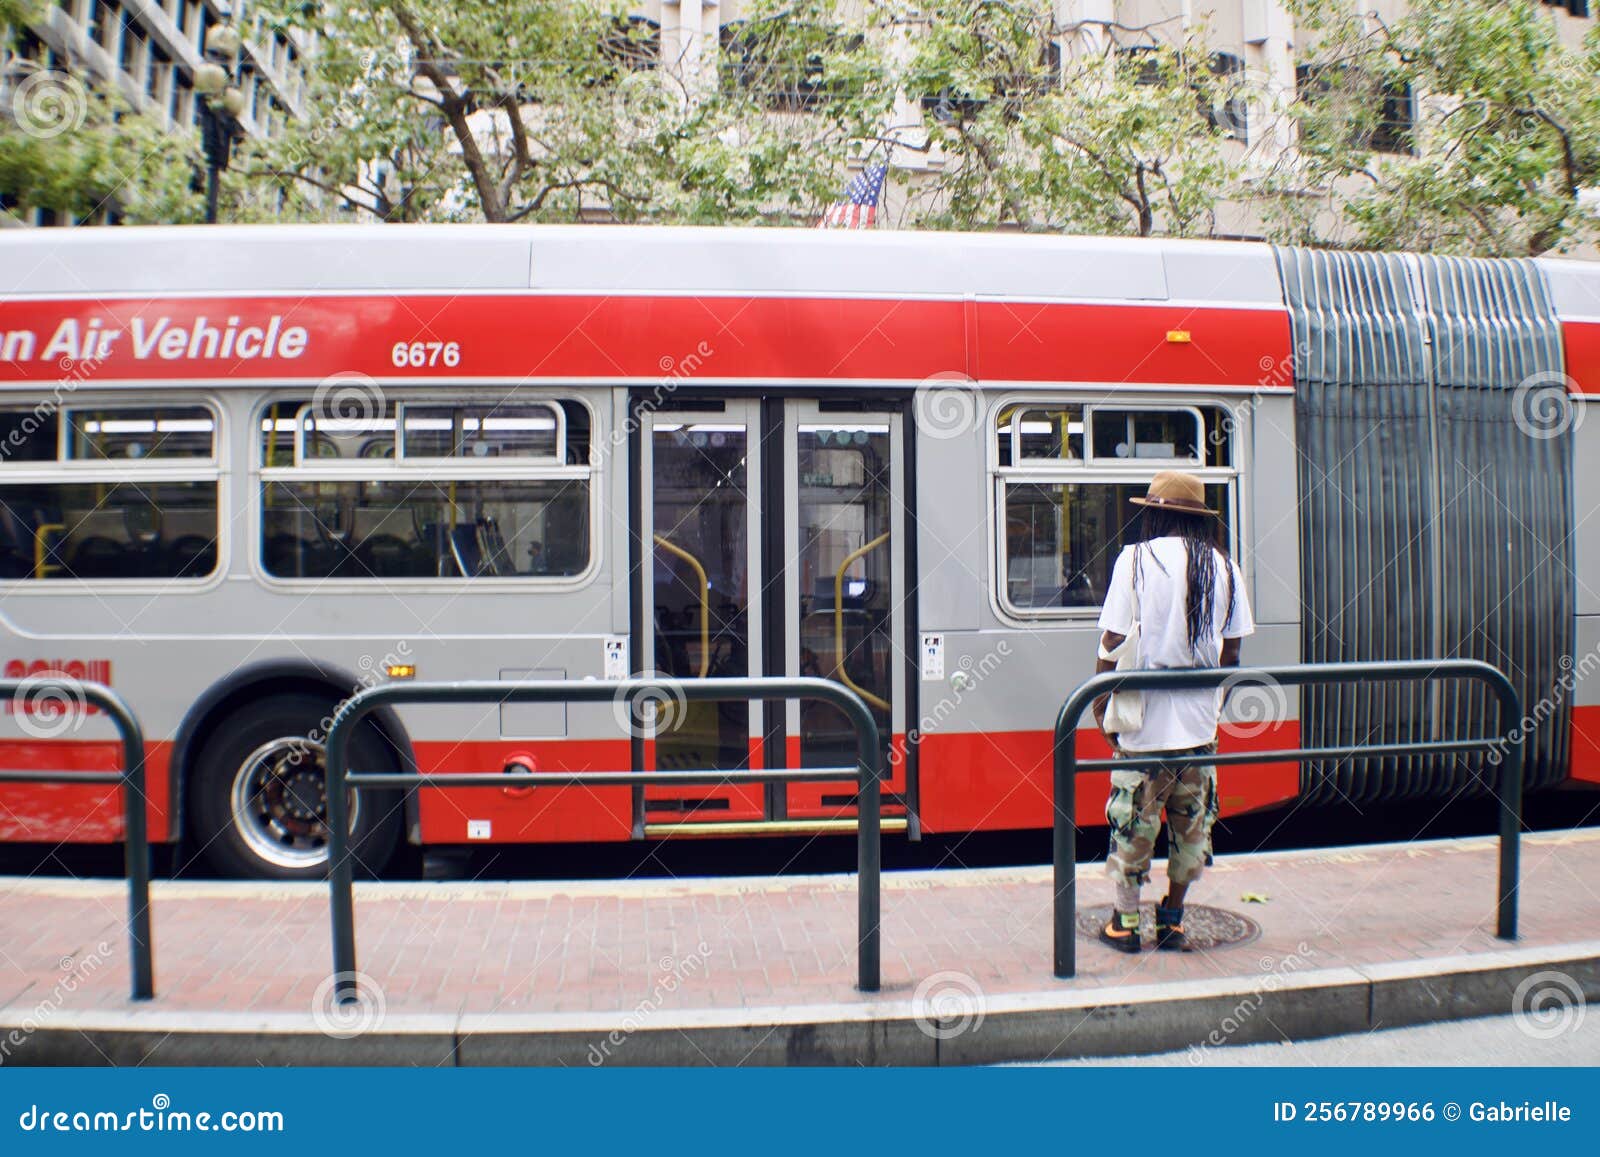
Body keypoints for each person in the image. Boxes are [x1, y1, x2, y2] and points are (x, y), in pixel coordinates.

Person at [1092, 470, 1253, 954]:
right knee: (1191, 829)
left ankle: (1124, 924)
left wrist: (1101, 705)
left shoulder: (1135, 559)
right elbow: (1233, 654)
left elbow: (1113, 638)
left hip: (1143, 728)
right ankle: (1173, 920)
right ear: (1197, 518)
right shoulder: (1223, 565)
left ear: (1155, 512)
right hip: (1198, 728)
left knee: (1133, 825)